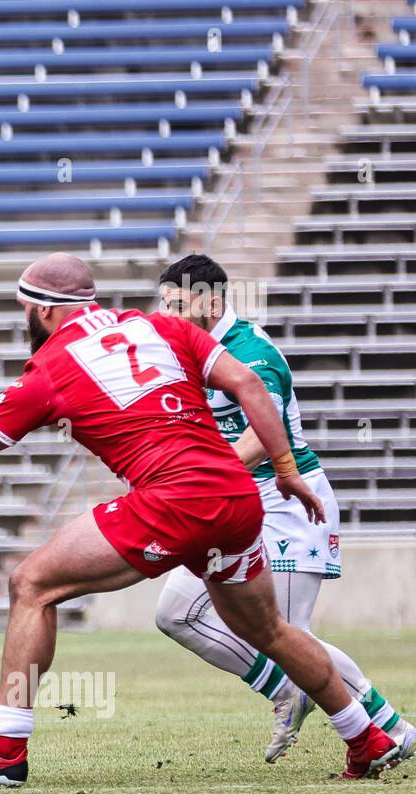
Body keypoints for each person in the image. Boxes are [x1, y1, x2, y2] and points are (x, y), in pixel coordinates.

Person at [0, 252, 400, 786]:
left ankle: (6, 750)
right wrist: (286, 469)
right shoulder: (157, 327)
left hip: (174, 499)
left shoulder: (52, 368)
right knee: (270, 630)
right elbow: (248, 385)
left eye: (22, 309)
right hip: (238, 496)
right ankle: (367, 738)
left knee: (31, 584)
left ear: (41, 311)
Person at [153, 254, 413, 763]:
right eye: (162, 305)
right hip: (232, 502)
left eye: (177, 305)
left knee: (290, 636)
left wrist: (197, 480)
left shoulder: (251, 352)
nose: (168, 316)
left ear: (211, 300)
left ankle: (394, 731)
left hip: (286, 502)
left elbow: (257, 438)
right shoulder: (184, 350)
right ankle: (286, 689)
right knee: (175, 613)